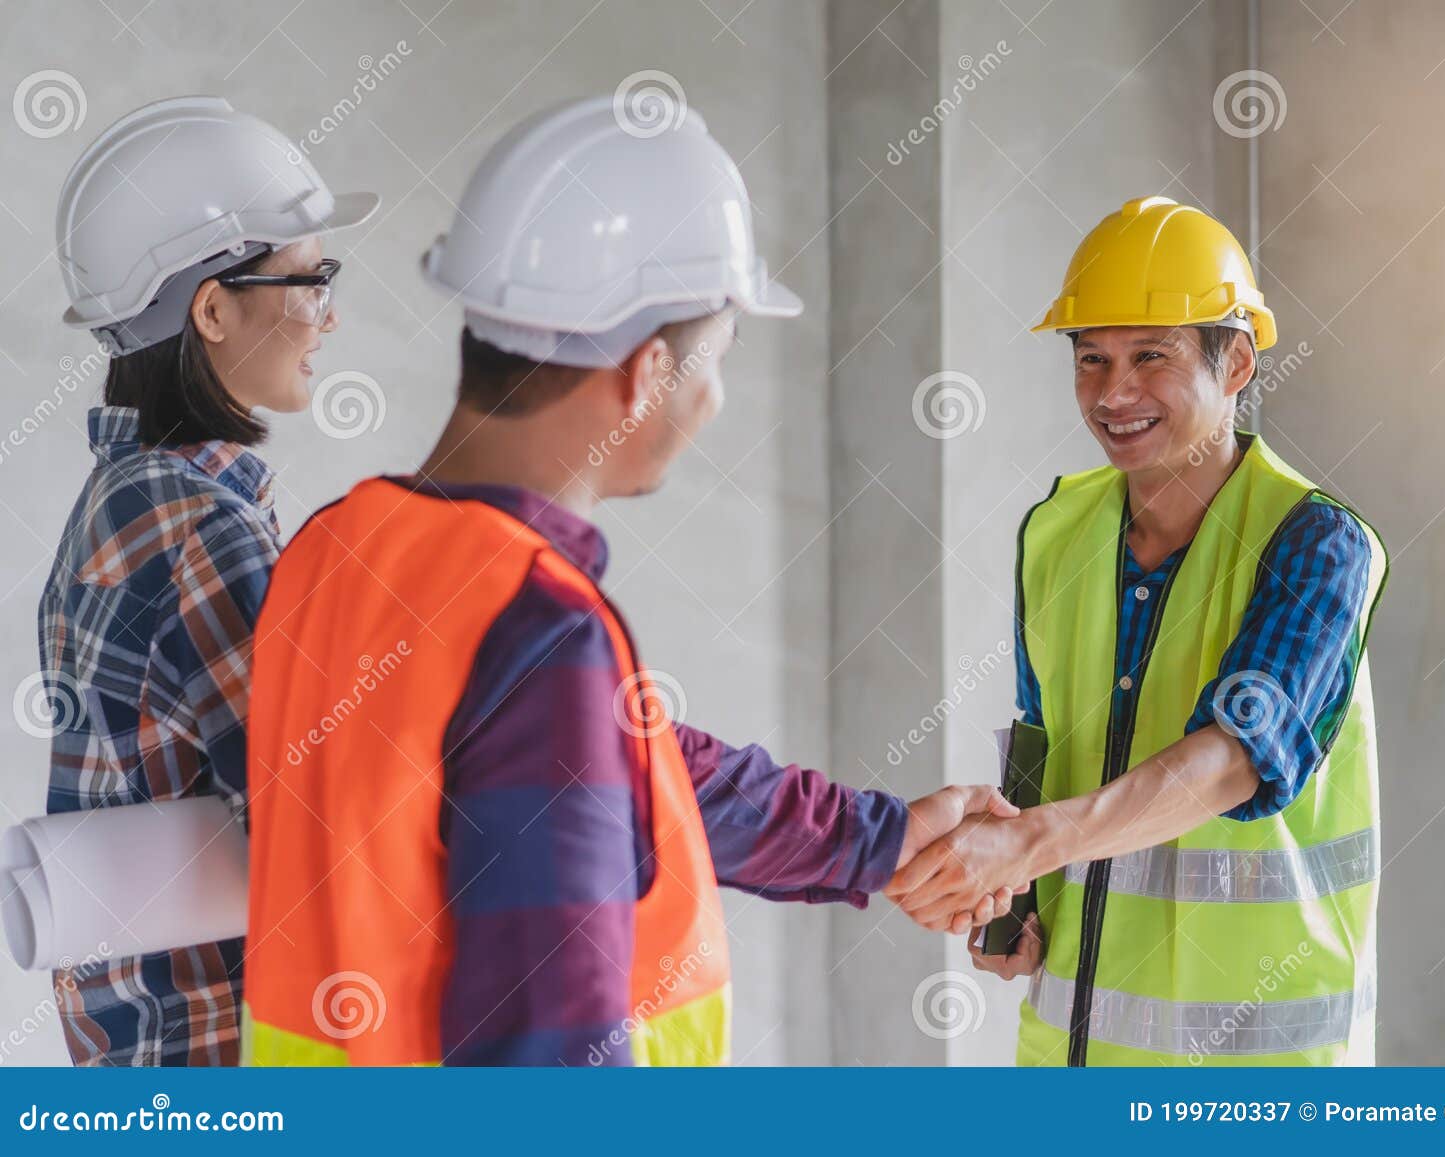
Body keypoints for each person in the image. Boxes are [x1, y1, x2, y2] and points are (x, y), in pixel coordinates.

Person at [240, 96, 1019, 1067]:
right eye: (716, 361)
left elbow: (622, 772)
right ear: (648, 371)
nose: (714, 400)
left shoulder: (332, 551)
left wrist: (879, 836)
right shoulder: (535, 625)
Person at [889, 196, 1387, 1066]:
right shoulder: (1056, 530)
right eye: (1091, 360)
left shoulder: (1315, 543)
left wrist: (1027, 841)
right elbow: (1042, 739)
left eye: (1149, 357)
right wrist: (1018, 897)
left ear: (1235, 363)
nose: (1112, 394)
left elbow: (1236, 757)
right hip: (1066, 1055)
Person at [40, 96, 375, 1065]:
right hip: (222, 1061)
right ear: (214, 308)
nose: (330, 313)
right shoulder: (198, 526)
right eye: (310, 280)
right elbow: (311, 820)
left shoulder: (120, 500)